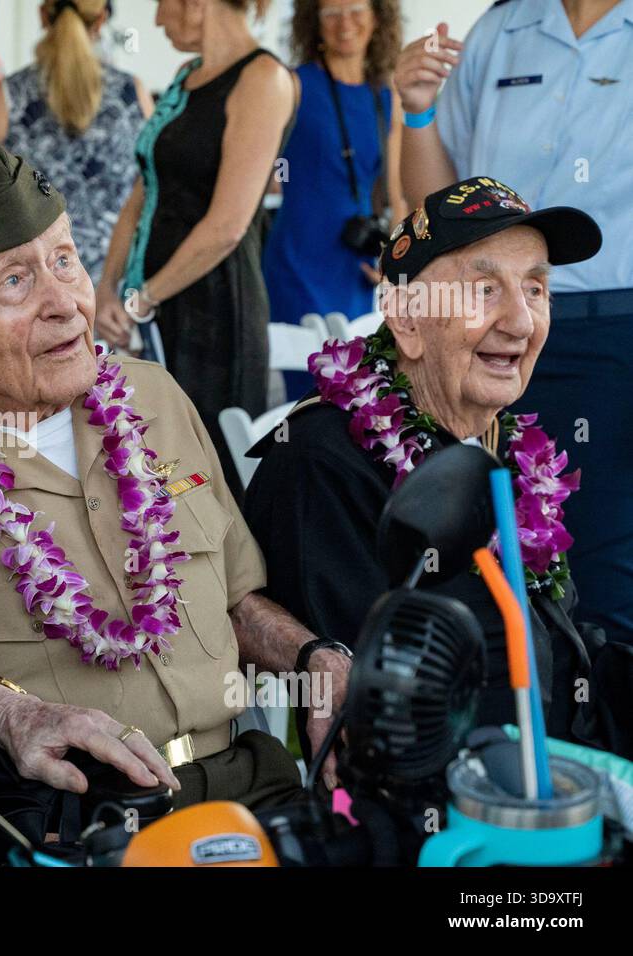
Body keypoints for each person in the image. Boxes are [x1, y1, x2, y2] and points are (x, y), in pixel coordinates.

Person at [0, 143, 351, 825]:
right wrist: (6, 712)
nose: (64, 303)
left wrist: (312, 657)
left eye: (65, 261)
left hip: (253, 783)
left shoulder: (156, 398)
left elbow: (238, 599)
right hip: (83, 818)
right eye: (15, 281)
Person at [245, 176, 603, 738]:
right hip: (463, 797)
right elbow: (388, 719)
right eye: (484, 290)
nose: (522, 322)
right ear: (407, 320)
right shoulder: (323, 463)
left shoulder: (503, 441)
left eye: (535, 288)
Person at [394, 0, 633, 647]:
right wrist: (417, 108)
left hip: (614, 326)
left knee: (605, 579)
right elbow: (438, 211)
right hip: (486, 329)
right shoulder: (499, 30)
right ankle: (507, 733)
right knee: (488, 553)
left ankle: (591, 740)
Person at [97, 0, 297, 498]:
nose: (159, 20)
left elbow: (227, 226)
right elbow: (142, 193)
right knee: (154, 458)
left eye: (162, 4)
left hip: (214, 312)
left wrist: (144, 298)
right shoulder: (186, 77)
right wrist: (108, 286)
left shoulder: (263, 78)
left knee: (205, 478)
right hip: (158, 305)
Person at [0, 0, 153, 287]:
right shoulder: (134, 95)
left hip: (33, 289)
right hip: (116, 287)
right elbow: (152, 187)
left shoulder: (3, 98)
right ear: (101, 20)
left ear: (43, 15)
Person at [262, 0, 406, 331]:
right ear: (314, 21)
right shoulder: (292, 85)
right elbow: (268, 164)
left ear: (376, 18)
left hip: (358, 261)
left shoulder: (387, 95)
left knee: (355, 376)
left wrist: (397, 260)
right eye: (331, 13)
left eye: (356, 10)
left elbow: (397, 194)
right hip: (297, 259)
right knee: (309, 376)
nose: (345, 23)